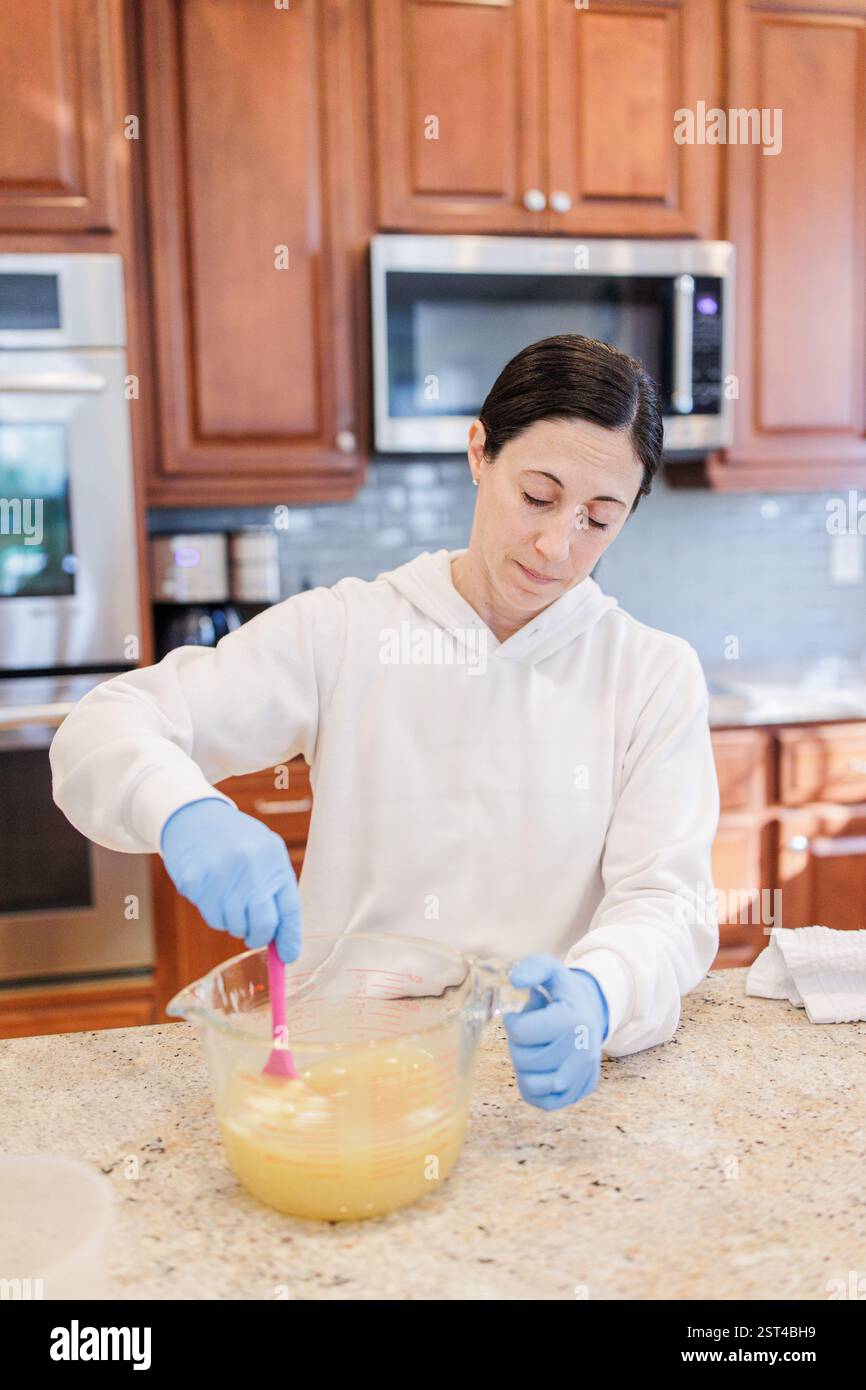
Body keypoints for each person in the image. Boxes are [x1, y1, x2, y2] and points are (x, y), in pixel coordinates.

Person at [50, 333, 720, 1111]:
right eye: (538, 496)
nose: (555, 545)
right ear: (479, 452)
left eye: (598, 520)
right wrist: (181, 809)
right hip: (343, 1075)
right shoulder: (346, 631)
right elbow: (101, 729)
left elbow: (668, 905)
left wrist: (600, 997)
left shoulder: (651, 674)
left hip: (533, 1086)